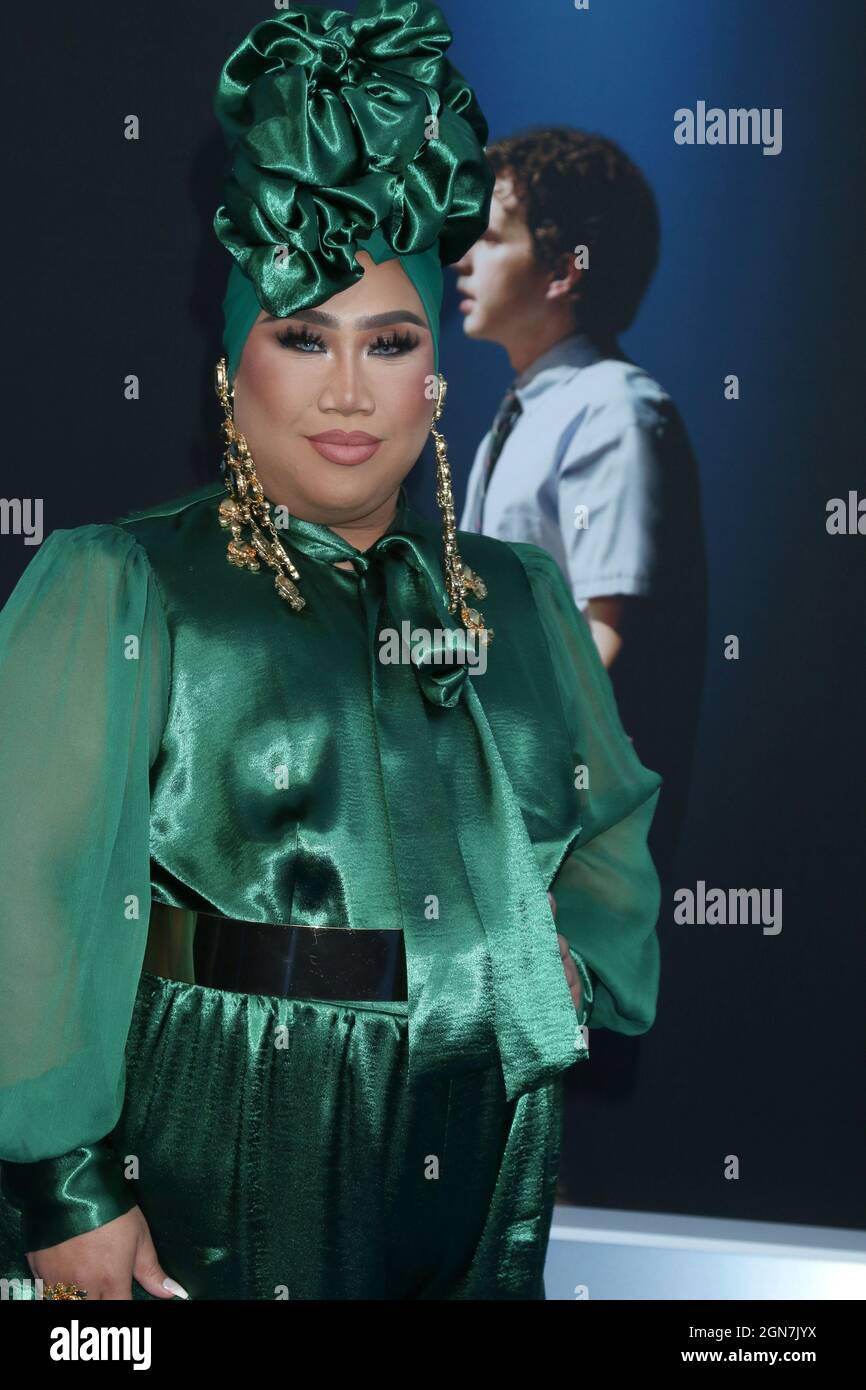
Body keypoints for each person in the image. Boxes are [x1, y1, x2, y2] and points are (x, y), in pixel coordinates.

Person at [0, 1, 661, 1301]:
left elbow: (609, 830)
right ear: (233, 358)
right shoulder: (121, 583)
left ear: (433, 372)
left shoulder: (519, 600)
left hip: (472, 1129)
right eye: (302, 337)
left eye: (390, 341)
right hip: (210, 1115)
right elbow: (16, 895)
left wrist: (539, 972)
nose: (348, 391)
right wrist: (64, 1185)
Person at [455, 128, 707, 881]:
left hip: (568, 852)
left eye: (490, 238)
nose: (461, 258)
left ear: (565, 269)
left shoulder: (613, 410)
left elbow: (611, 642)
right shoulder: (526, 414)